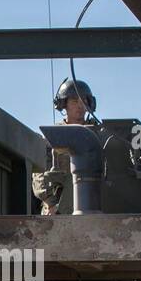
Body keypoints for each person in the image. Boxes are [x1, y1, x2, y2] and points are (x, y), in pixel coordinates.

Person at [32, 78, 98, 214]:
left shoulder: (97, 135)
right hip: (58, 208)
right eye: (74, 101)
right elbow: (38, 174)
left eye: (83, 101)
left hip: (92, 205)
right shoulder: (54, 137)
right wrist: (50, 203)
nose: (80, 106)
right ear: (63, 104)